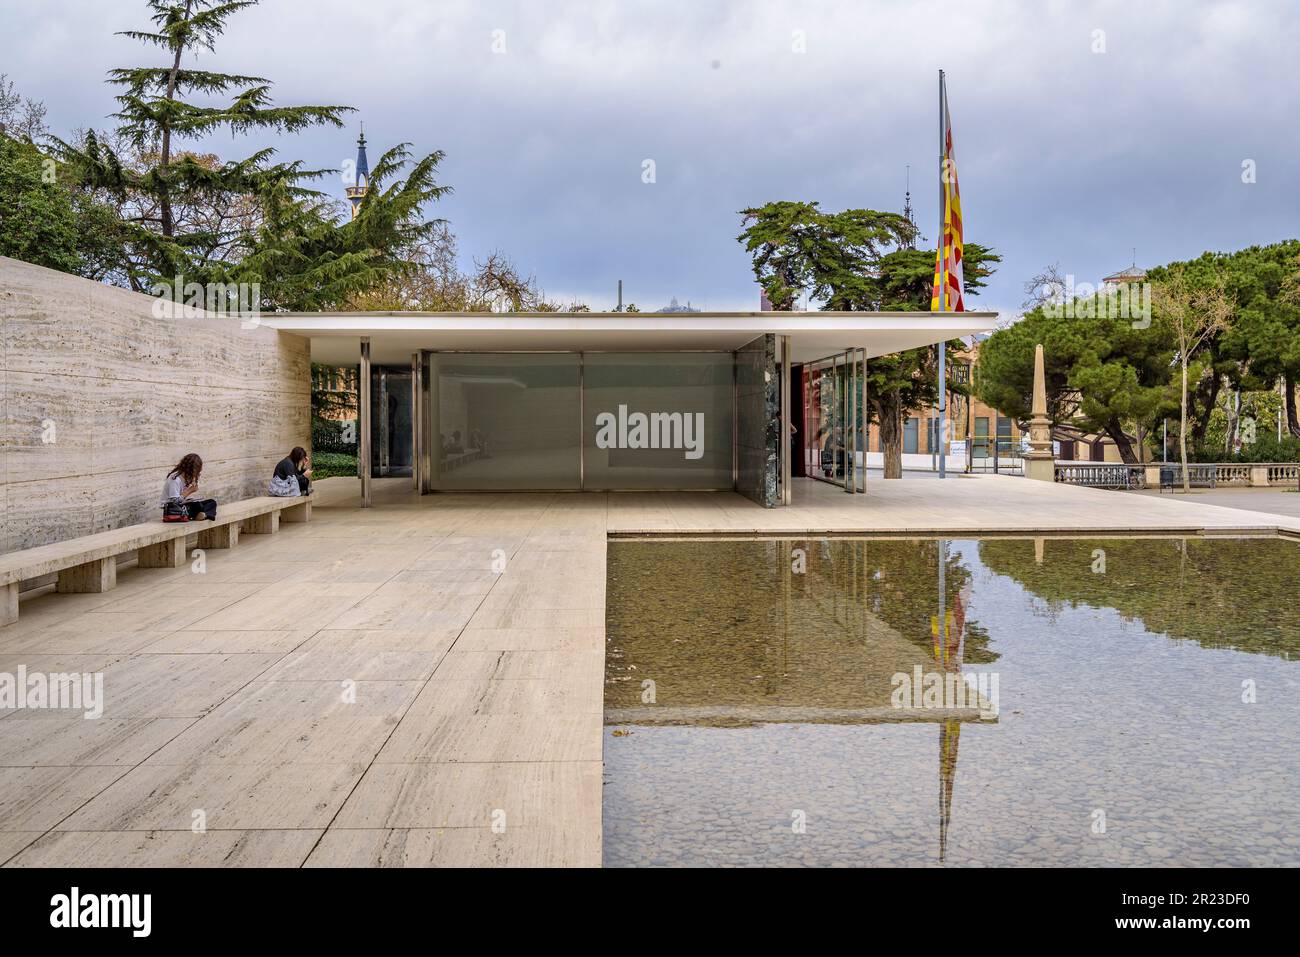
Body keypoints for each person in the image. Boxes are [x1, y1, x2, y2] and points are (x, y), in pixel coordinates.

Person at [161, 453, 217, 521]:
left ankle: (204, 515)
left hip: (182, 507)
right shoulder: (175, 479)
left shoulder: (186, 478)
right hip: (173, 510)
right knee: (198, 506)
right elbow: (174, 502)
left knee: (212, 502)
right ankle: (205, 515)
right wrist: (189, 490)